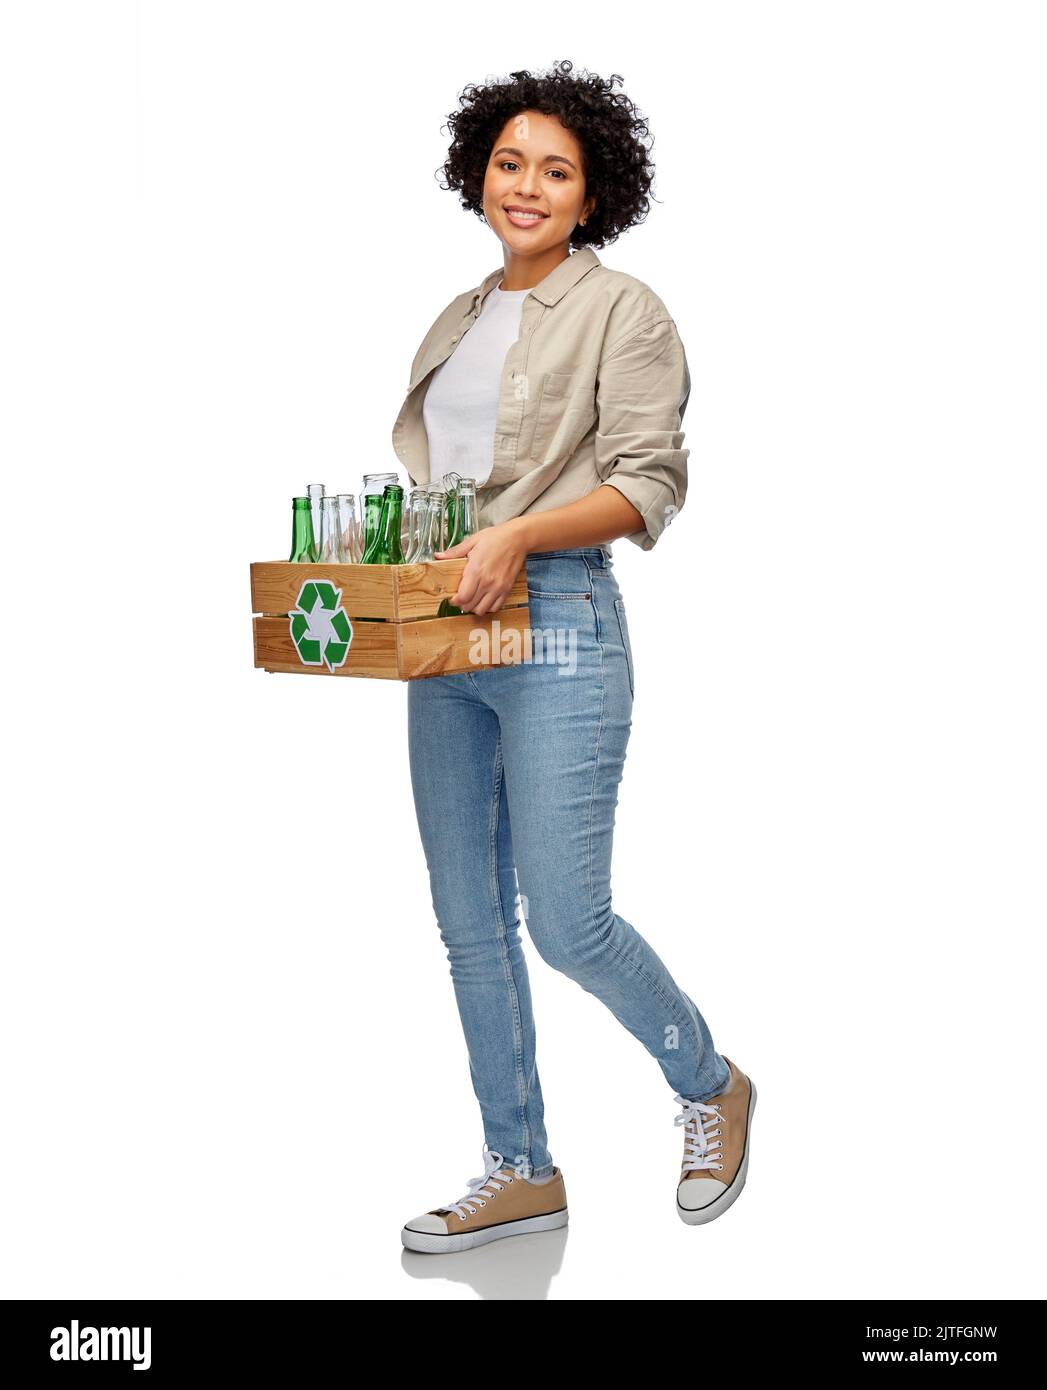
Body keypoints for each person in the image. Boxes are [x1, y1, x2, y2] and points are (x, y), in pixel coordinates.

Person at [391, 59, 756, 1254]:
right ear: (477, 174)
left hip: (555, 621)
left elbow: (649, 483)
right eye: (509, 163)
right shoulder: (458, 316)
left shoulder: (626, 310)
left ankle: (708, 1084)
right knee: (466, 919)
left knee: (565, 919)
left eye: (556, 170)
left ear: (593, 196)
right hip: (447, 622)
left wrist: (519, 535)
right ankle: (520, 1166)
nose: (527, 186)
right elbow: (444, 479)